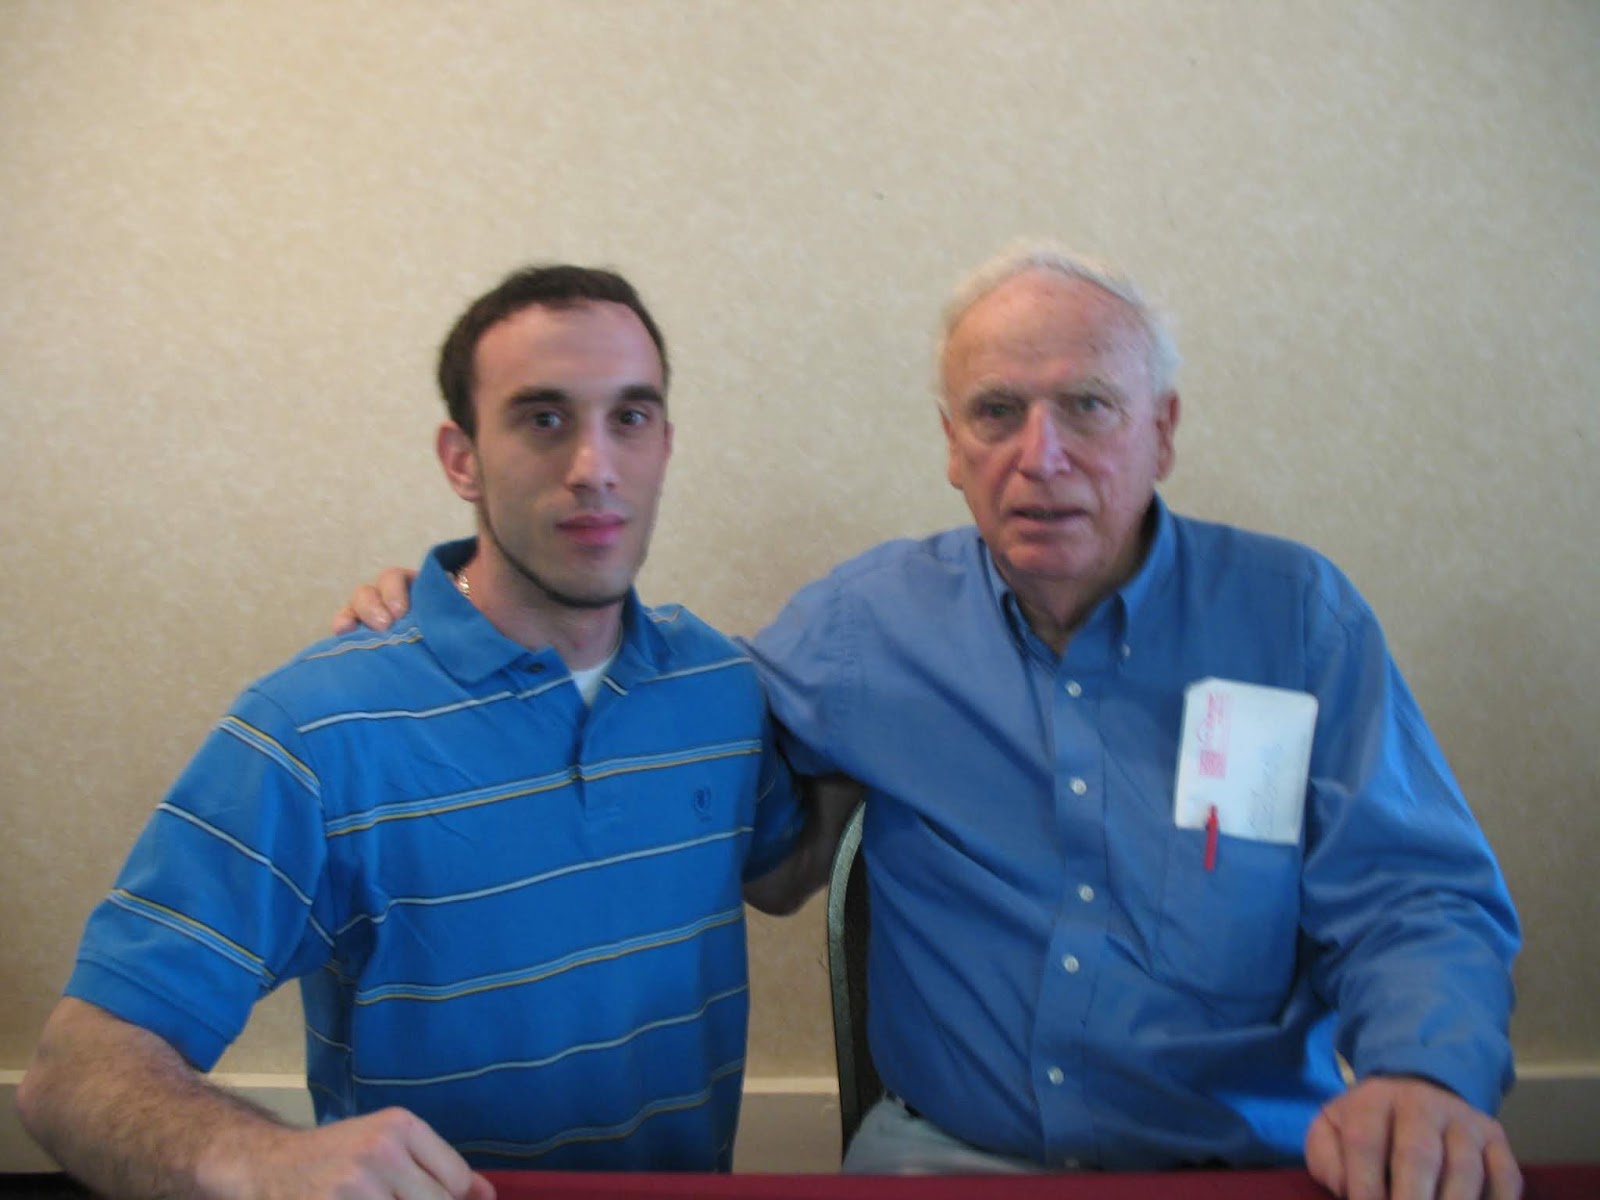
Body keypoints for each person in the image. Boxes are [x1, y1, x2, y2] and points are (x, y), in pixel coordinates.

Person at [331, 245, 1523, 1199]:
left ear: (1161, 431)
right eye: (996, 412)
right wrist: (449, 611)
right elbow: (656, 709)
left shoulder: (1295, 621)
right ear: (952, 448)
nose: (1038, 456)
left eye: (1088, 408)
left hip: (1246, 1159)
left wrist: (1423, 1071)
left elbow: (1415, 893)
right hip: (941, 1159)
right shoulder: (866, 627)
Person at [20, 264, 843, 1200]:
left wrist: (912, 738)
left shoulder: (718, 686)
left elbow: (781, 872)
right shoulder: (318, 729)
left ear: (664, 442)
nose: (595, 466)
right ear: (462, 458)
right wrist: (261, 1158)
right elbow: (75, 1073)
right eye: (543, 418)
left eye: (631, 417)